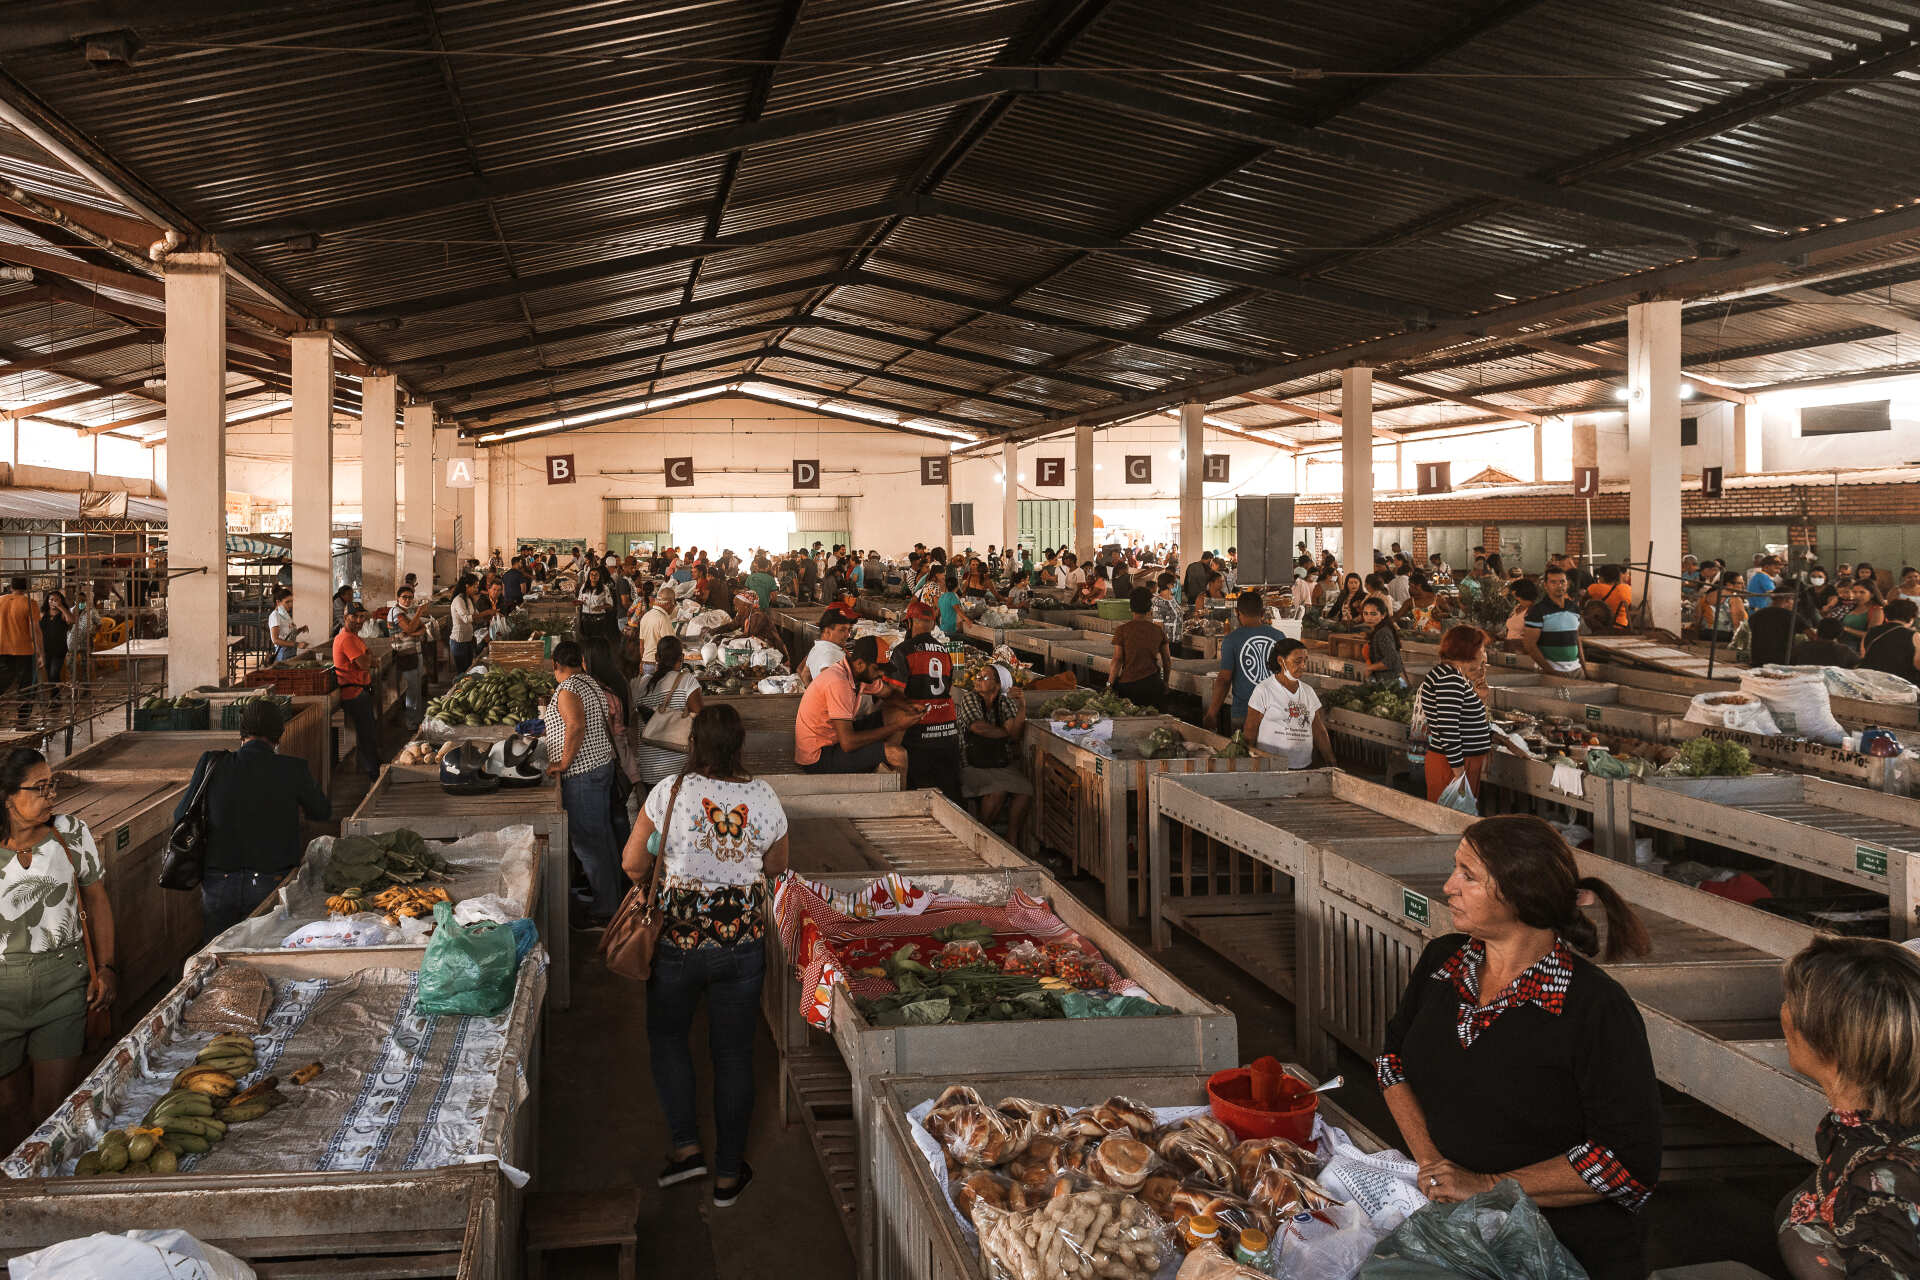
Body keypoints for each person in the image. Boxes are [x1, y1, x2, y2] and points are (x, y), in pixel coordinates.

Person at [1376, 815, 1659, 1279]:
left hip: (1553, 1246)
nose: (1449, 886)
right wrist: (1431, 1164)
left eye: (1468, 876)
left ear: (1520, 893)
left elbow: (1624, 1164)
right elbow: (1392, 1063)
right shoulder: (1444, 960)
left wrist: (1487, 1186)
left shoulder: (1594, 1008)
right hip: (1448, 1219)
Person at [624, 705, 788, 1204]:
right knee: (735, 1054)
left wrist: (668, 876)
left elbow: (632, 862)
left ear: (692, 743)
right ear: (741, 746)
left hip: (677, 941)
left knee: (669, 1036)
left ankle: (686, 1148)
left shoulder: (671, 792)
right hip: (741, 944)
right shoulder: (764, 797)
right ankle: (726, 1176)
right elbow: (777, 867)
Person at [1776, 935, 1920, 1280]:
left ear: (1831, 1039)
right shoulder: (1861, 1129)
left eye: (1792, 1000)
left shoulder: (1885, 1183)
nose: (1782, 1011)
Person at [0, 747, 116, 1156]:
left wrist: (106, 967)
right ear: (8, 796)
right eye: (41, 788)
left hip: (64, 985)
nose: (52, 796)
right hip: (2, 991)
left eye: (54, 785)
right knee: (9, 1110)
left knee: (52, 1110)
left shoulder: (71, 833)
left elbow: (97, 900)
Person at [180, 699, 330, 943]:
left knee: (221, 957)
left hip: (219, 884)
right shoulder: (293, 769)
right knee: (269, 954)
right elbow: (322, 811)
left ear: (241, 733)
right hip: (271, 885)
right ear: (279, 736)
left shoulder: (212, 763)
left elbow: (181, 816)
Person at [544, 640, 622, 928]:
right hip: (601, 767)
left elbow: (576, 725)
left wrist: (563, 763)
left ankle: (605, 910)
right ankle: (613, 899)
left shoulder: (568, 689)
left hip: (583, 774)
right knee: (601, 838)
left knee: (588, 842)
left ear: (557, 666)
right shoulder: (589, 682)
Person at [795, 636, 914, 774]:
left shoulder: (860, 675)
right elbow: (848, 743)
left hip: (836, 738)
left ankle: (881, 767)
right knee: (898, 755)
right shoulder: (838, 682)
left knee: (901, 714)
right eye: (877, 669)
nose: (881, 674)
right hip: (818, 756)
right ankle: (887, 768)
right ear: (860, 664)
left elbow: (889, 694)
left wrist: (910, 707)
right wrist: (897, 726)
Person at [886, 600, 963, 800]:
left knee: (918, 794)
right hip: (947, 730)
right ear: (931, 624)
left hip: (919, 732)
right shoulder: (945, 652)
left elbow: (895, 694)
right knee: (948, 793)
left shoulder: (904, 650)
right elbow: (948, 686)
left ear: (911, 622)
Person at [954, 665, 1032, 843]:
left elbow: (1016, 732)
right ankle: (980, 836)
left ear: (997, 685)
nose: (978, 679)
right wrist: (1005, 732)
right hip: (971, 762)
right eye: (978, 676)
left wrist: (1022, 706)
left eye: (984, 677)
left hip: (999, 762)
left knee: (1025, 790)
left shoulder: (1004, 702)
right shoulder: (970, 698)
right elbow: (978, 728)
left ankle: (1011, 838)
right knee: (997, 792)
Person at [1419, 626, 1493, 804]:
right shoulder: (1450, 679)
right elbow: (1448, 728)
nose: (1484, 654)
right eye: (1482, 649)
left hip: (1456, 763)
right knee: (1449, 822)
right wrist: (1459, 774)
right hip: (1452, 766)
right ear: (1470, 651)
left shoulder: (1449, 674)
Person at [1243, 638, 1332, 768]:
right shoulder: (1264, 690)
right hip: (1271, 765)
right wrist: (1247, 762)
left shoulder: (1308, 692)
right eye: (1297, 661)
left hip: (1303, 765)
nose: (1303, 666)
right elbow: (1250, 729)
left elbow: (1319, 730)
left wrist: (1331, 761)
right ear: (1281, 661)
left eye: (1304, 661)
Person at [1206, 591, 1284, 735]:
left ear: (1237, 612)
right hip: (1277, 712)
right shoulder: (1279, 637)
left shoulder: (1231, 640)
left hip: (1243, 712)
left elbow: (1224, 680)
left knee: (1243, 755)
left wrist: (1212, 713)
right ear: (1263, 612)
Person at [632, 636, 704, 788]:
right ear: (682, 658)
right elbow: (701, 720)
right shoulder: (687, 681)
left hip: (648, 769)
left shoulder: (640, 684)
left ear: (657, 657)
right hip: (678, 768)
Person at [332, 600, 382, 781]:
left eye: (362, 617)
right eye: (355, 616)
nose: (359, 620)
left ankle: (368, 766)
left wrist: (367, 658)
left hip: (360, 690)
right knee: (366, 733)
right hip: (354, 694)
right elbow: (366, 662)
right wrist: (368, 659)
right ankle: (373, 773)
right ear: (346, 617)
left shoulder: (354, 637)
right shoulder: (346, 638)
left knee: (367, 731)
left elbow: (369, 658)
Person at [1110, 587, 1171, 709]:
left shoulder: (1122, 630)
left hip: (1129, 685)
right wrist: (1165, 682)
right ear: (1149, 608)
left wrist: (1109, 684)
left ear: (1131, 607)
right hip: (1153, 684)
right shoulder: (1158, 630)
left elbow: (1117, 660)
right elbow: (1167, 660)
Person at [1522, 565, 1585, 676]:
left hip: (1576, 670)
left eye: (1562, 582)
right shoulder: (1538, 611)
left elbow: (1576, 639)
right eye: (1553, 582)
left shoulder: (1574, 608)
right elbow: (1529, 645)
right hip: (1552, 672)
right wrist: (1551, 671)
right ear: (1546, 585)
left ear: (1567, 584)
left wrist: (1584, 667)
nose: (1559, 586)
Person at [386, 584, 428, 723]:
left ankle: (417, 719)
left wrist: (413, 631)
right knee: (412, 689)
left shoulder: (407, 612)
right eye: (404, 597)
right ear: (398, 598)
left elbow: (422, 629)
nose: (408, 600)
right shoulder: (395, 612)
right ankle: (411, 722)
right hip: (405, 654)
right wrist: (419, 614)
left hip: (414, 652)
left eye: (410, 597)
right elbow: (410, 628)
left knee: (416, 688)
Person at [0, 579, 39, 725]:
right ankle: (22, 719)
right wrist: (41, 652)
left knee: (2, 682)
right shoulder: (29, 603)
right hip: (23, 650)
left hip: (1, 648)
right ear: (27, 588)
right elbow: (35, 630)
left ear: (10, 587)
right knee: (26, 686)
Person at [1860, 599, 1920, 685]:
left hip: (1870, 683)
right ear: (1911, 618)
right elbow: (1918, 664)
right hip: (1901, 687)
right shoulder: (1915, 636)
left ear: (1886, 616)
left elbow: (1864, 655)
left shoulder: (1871, 632)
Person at [798, 608, 854, 690]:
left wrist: (813, 695)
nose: (847, 635)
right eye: (842, 630)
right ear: (827, 631)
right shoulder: (832, 654)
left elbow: (805, 675)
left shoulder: (817, 648)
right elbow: (834, 688)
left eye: (848, 630)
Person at [1357, 596, 1405, 686]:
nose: (1369, 617)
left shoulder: (1382, 633)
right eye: (1365, 613)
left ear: (1383, 615)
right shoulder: (1379, 630)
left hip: (1389, 684)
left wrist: (1370, 668)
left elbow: (1391, 659)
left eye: (1373, 614)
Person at [1750, 588, 1803, 668]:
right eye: (1794, 601)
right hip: (1782, 663)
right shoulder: (1792, 616)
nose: (1795, 604)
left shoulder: (1755, 615)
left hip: (1758, 662)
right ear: (1787, 599)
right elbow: (1813, 636)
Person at [1697, 568, 1749, 645]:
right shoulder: (1734, 598)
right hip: (1724, 635)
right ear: (1729, 584)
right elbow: (1737, 622)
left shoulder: (1706, 596)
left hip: (1705, 633)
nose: (1743, 586)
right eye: (1740, 583)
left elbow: (1697, 616)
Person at [1797, 617, 1861, 669]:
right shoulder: (1844, 651)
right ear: (1840, 634)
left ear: (1817, 631)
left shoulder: (1802, 646)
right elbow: (1858, 664)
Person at [1842, 581, 1886, 656]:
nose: (1857, 595)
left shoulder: (1877, 610)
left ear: (1872, 594)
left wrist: (1846, 629)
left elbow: (1871, 635)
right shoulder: (1851, 606)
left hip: (1859, 650)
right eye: (1854, 592)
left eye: (1862, 592)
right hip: (1843, 645)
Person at [1584, 565, 1633, 630]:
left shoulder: (1593, 588)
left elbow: (1584, 604)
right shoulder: (1627, 589)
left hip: (1599, 627)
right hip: (1620, 626)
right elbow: (1629, 606)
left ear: (1602, 577)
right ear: (1618, 576)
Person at [577, 565, 617, 644]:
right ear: (589, 576)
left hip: (599, 619)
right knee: (586, 640)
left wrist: (601, 607)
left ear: (599, 576)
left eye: (596, 575)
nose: (594, 576)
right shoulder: (584, 586)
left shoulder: (604, 588)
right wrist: (578, 602)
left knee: (597, 640)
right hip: (585, 618)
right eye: (591, 574)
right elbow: (580, 599)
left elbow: (610, 605)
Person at [448, 575, 479, 672]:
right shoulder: (459, 600)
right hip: (459, 641)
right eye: (474, 586)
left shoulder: (468, 599)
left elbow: (476, 615)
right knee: (462, 672)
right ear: (467, 586)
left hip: (468, 639)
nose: (476, 589)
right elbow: (466, 619)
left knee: (468, 669)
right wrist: (486, 613)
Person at [1503, 579, 1539, 650]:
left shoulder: (1534, 611)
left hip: (1523, 652)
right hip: (1510, 649)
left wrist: (1512, 642)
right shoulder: (1517, 607)